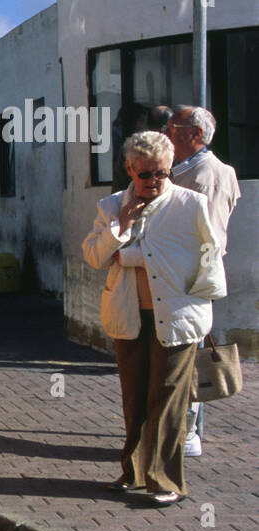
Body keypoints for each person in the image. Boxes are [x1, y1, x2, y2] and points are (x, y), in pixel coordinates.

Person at [82, 130, 226, 504]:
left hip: (178, 316)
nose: (153, 181)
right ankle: (132, 474)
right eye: (145, 174)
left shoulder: (190, 205)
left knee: (168, 401)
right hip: (129, 316)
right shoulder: (111, 206)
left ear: (171, 169)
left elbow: (207, 255)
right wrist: (122, 229)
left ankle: (164, 482)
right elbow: (96, 257)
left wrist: (132, 257)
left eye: (161, 173)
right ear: (129, 169)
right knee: (134, 398)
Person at [166, 106, 241, 456]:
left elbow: (205, 235)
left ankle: (189, 429)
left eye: (174, 127)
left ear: (195, 134)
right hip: (183, 275)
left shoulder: (206, 175)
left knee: (188, 352)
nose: (167, 133)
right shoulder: (189, 171)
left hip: (189, 276)